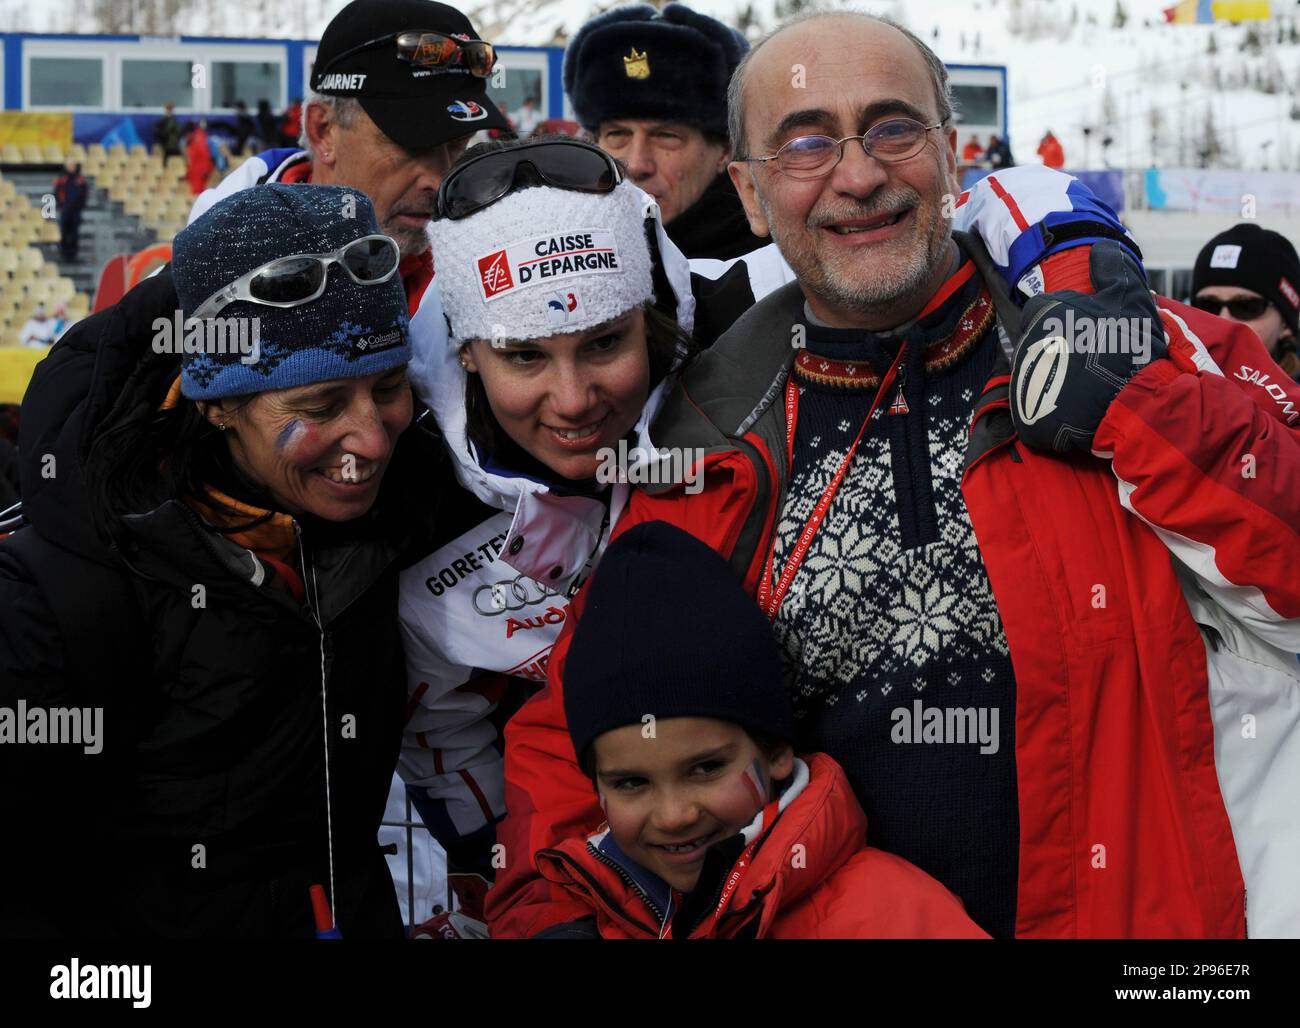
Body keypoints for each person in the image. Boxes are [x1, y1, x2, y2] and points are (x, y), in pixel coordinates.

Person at [488, 12, 1300, 940]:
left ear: (953, 157)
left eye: (892, 127)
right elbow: (582, 721)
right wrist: (557, 915)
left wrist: (1135, 402)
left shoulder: (1153, 344)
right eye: (805, 143)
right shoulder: (701, 435)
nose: (860, 174)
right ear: (749, 194)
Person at [0, 184, 446, 937]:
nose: (372, 438)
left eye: (389, 387)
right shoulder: (61, 587)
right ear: (214, 405)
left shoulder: (405, 504)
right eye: (320, 406)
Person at [394, 136, 697, 931]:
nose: (572, 399)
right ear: (466, 356)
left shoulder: (742, 378)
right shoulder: (411, 516)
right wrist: (519, 882)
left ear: (651, 320)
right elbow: (445, 744)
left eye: (604, 342)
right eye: (525, 356)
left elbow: (1007, 204)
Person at [533, 519, 988, 939]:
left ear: (774, 752)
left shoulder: (894, 916)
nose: (674, 816)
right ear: (595, 786)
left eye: (706, 768)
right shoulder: (593, 916)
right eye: (632, 782)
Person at [191, 0, 510, 315]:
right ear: (324, 131)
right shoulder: (199, 289)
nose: (440, 180)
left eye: (457, 145)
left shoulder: (493, 276)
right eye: (412, 146)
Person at [564, 3, 763, 261]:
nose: (636, 165)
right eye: (617, 134)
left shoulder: (768, 273)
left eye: (666, 137)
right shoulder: (571, 256)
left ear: (725, 150)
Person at [1191, 223, 1300, 379]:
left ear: (1285, 325)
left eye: (1246, 307)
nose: (1223, 320)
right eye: (1208, 307)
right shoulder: (1164, 392)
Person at [53, 160, 88, 262]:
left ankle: (73, 254)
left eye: (72, 166)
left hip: (76, 211)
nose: (71, 168)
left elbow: (84, 195)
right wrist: (62, 205)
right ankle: (64, 254)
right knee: (64, 232)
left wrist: (79, 207)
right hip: (65, 211)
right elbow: (56, 193)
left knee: (74, 233)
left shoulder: (80, 180)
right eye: (69, 166)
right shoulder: (61, 180)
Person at [185, 120, 215, 195]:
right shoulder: (194, 141)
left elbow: (205, 156)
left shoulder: (199, 140)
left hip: (199, 173)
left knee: (198, 193)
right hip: (196, 172)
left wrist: (205, 170)